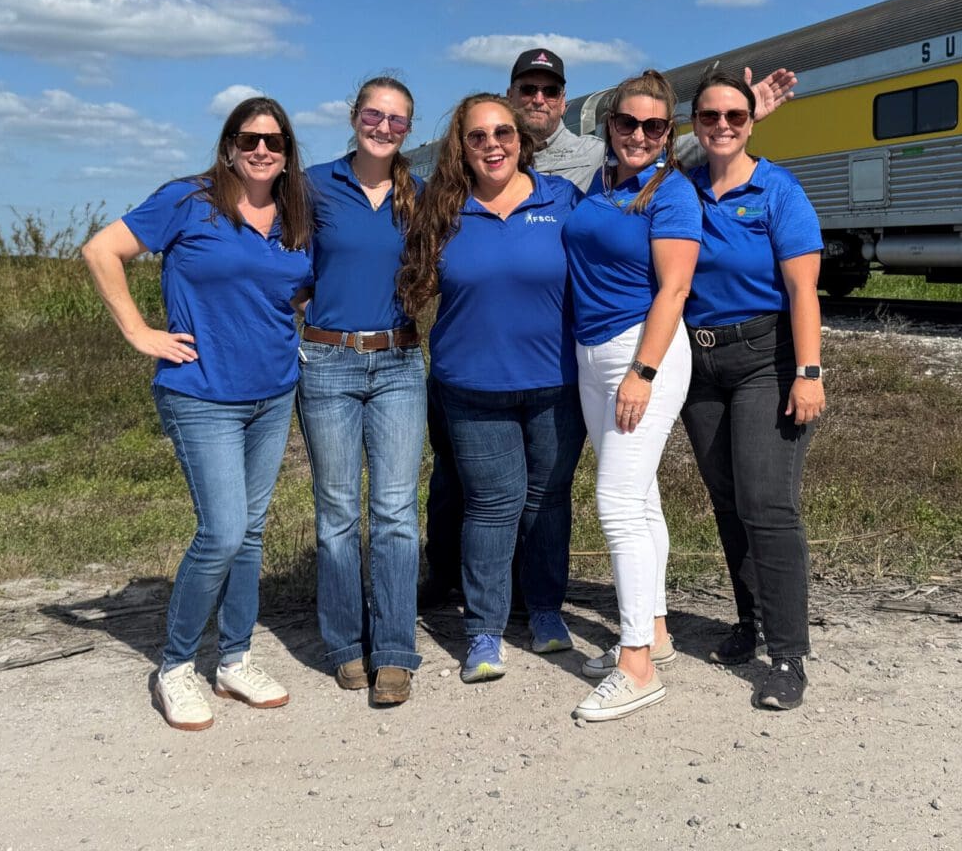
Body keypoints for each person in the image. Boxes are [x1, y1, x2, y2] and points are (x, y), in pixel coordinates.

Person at [420, 49, 797, 604]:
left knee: (565, 492)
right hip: (490, 354)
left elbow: (659, 157)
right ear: (511, 95)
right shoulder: (475, 160)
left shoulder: (595, 159)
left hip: (573, 353)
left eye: (549, 90)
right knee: (465, 483)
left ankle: (575, 618)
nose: (538, 100)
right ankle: (452, 582)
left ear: (565, 101)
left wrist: (735, 120)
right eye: (528, 89)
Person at [82, 96, 313, 732]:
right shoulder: (189, 199)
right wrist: (139, 331)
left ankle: (235, 658)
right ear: (229, 144)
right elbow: (102, 250)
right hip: (201, 391)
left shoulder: (295, 213)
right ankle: (177, 666)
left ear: (288, 150)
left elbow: (295, 288)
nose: (261, 149)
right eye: (248, 139)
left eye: (272, 140)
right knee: (222, 530)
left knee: (252, 531)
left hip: (273, 390)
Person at [396, 95, 585, 682]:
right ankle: (483, 631)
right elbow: (402, 275)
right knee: (493, 505)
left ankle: (547, 612)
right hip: (472, 387)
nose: (493, 144)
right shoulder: (441, 209)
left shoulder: (562, 200)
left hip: (556, 383)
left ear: (522, 138)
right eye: (477, 136)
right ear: (462, 147)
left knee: (547, 501)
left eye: (503, 132)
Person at [680, 68, 825, 711]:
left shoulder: (777, 190)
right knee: (728, 500)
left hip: (765, 358)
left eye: (735, 117)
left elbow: (802, 290)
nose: (722, 127)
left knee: (768, 505)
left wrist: (809, 371)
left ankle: (788, 655)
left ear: (750, 122)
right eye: (709, 117)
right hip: (698, 365)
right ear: (694, 125)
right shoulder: (681, 190)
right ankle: (750, 623)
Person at [562, 69, 700, 722]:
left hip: (640, 352)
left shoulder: (671, 194)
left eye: (653, 126)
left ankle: (637, 665)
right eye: (627, 124)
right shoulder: (601, 183)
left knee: (615, 501)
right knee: (640, 498)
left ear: (667, 133)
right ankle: (657, 632)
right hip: (593, 354)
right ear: (608, 127)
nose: (639, 135)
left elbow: (673, 290)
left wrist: (642, 373)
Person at [297, 77, 425, 706]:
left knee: (397, 513)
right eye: (374, 115)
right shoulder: (315, 184)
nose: (383, 127)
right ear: (353, 117)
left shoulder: (419, 194)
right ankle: (346, 642)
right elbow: (287, 262)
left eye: (397, 120)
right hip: (327, 362)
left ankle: (396, 650)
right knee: (338, 514)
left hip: (399, 361)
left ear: (409, 129)